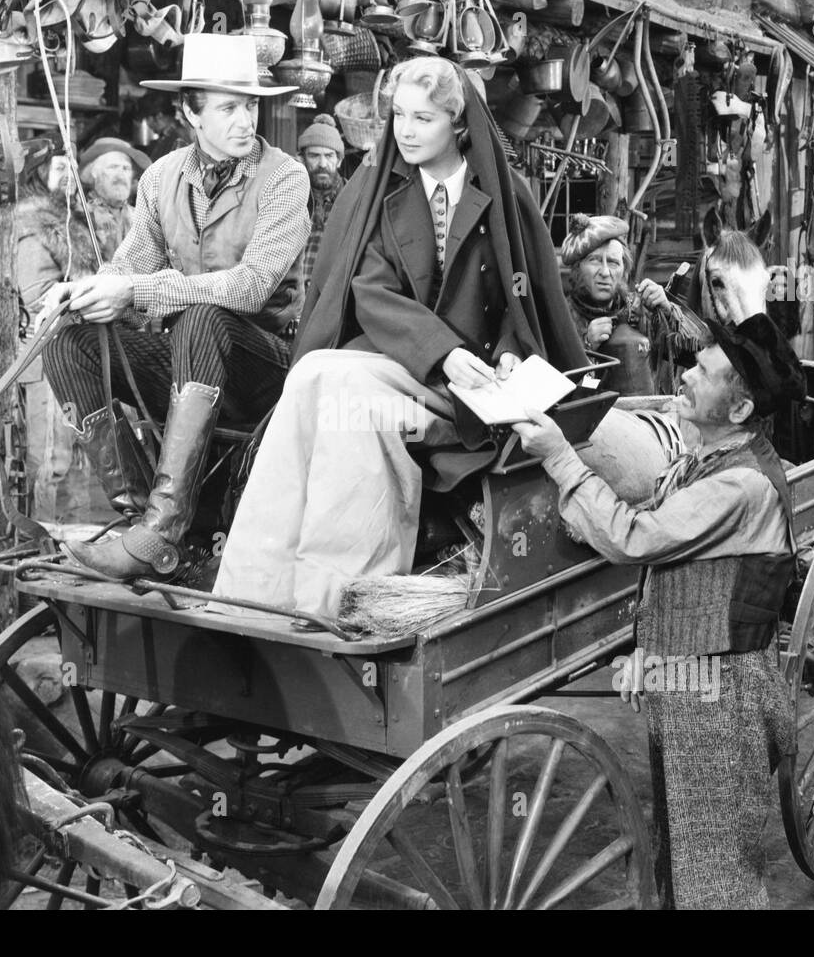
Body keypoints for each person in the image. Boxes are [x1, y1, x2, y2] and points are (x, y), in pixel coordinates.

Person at [213, 56, 587, 619]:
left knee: (346, 398)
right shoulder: (380, 190)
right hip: (411, 362)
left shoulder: (504, 195)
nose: (406, 131)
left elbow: (524, 294)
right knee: (311, 376)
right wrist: (444, 353)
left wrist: (508, 354)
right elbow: (369, 288)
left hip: (475, 387)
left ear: (458, 126)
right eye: (400, 117)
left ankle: (340, 596)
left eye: (424, 119)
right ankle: (253, 591)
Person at [512, 312, 806, 909]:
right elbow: (672, 577)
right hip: (692, 687)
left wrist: (561, 457)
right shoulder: (704, 462)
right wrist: (650, 655)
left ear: (741, 410)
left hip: (723, 701)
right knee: (686, 859)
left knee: (719, 878)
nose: (688, 373)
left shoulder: (741, 486)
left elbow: (635, 539)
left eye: (704, 369)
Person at [38, 34, 310, 575]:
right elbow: (129, 266)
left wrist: (136, 293)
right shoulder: (162, 178)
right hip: (194, 365)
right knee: (67, 342)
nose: (245, 121)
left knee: (204, 314)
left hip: (267, 371)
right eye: (229, 107)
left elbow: (249, 288)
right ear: (191, 111)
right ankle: (142, 519)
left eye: (250, 105)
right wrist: (82, 290)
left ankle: (163, 526)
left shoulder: (286, 177)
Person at [15, 136, 150, 524]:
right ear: (40, 174)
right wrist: (106, 300)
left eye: (70, 168)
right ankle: (50, 545)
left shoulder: (87, 222)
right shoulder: (36, 224)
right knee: (54, 460)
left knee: (93, 459)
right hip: (55, 356)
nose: (67, 176)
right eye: (57, 168)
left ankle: (84, 542)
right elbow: (41, 297)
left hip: (96, 353)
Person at [561, 213, 656, 396]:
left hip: (641, 416)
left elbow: (685, 355)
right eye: (595, 260)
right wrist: (586, 346)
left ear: (624, 270)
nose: (605, 272)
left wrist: (664, 311)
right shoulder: (561, 317)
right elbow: (557, 387)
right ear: (577, 268)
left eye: (613, 262)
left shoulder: (638, 309)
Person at [294, 114, 346, 328]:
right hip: (293, 314)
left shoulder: (354, 200)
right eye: (314, 155)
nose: (322, 164)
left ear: (339, 159)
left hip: (336, 315)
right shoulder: (290, 198)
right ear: (301, 158)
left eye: (329, 155)